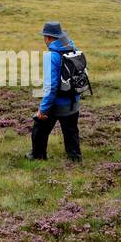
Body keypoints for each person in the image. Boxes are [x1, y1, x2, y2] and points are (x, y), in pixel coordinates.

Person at [29, 21, 83, 162]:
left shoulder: (51, 56)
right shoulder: (73, 48)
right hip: (74, 101)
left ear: (48, 38)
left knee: (39, 128)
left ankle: (38, 156)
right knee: (71, 130)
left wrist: (43, 109)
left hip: (58, 104)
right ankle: (75, 158)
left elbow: (51, 86)